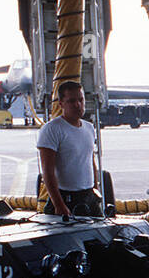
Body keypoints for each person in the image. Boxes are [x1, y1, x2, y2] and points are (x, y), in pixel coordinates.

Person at [36, 81, 101, 218]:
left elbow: (90, 161)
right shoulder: (52, 129)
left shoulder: (89, 128)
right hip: (65, 198)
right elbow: (48, 172)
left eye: (80, 100)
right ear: (61, 104)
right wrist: (59, 205)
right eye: (71, 101)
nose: (78, 105)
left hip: (89, 196)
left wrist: (95, 188)